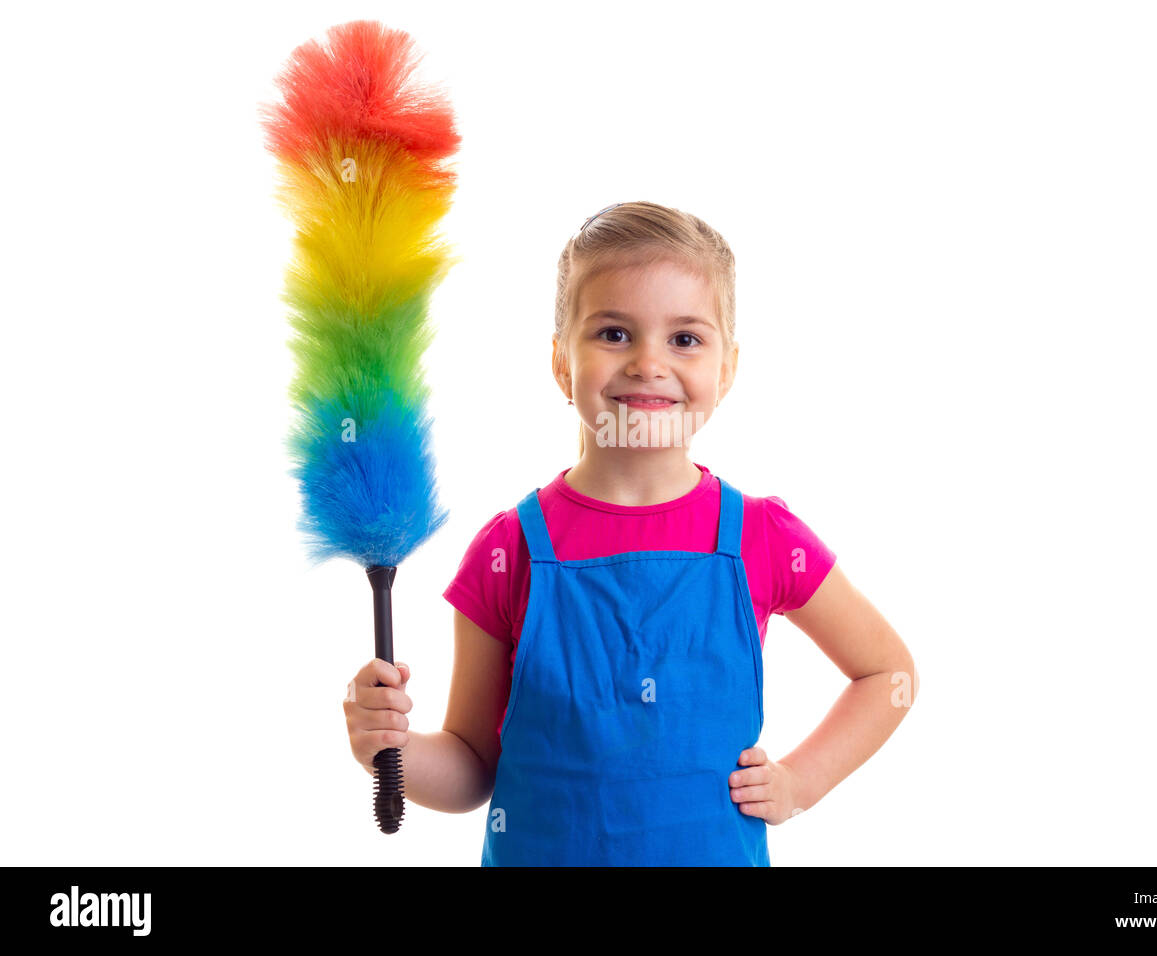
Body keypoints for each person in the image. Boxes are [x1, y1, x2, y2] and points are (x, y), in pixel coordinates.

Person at [343, 200, 919, 865]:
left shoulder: (763, 536)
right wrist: (393, 751)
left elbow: (887, 673)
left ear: (726, 368)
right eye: (614, 333)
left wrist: (798, 784)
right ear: (562, 363)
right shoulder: (508, 552)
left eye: (685, 338)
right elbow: (474, 765)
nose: (649, 363)